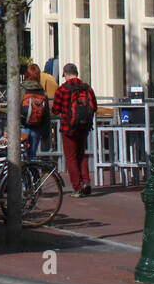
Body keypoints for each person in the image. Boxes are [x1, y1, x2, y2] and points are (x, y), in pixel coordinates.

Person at [51, 62, 97, 196]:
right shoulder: (87, 88)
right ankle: (86, 181)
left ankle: (77, 188)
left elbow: (55, 110)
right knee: (81, 154)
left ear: (65, 74)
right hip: (84, 127)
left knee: (71, 157)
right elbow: (94, 105)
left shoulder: (62, 89)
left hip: (68, 128)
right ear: (76, 73)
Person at [19, 66, 52, 161]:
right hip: (36, 129)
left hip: (22, 128)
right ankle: (34, 175)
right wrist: (46, 133)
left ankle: (24, 175)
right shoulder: (42, 92)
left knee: (22, 158)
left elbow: (15, 109)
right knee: (32, 157)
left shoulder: (22, 89)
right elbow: (46, 115)